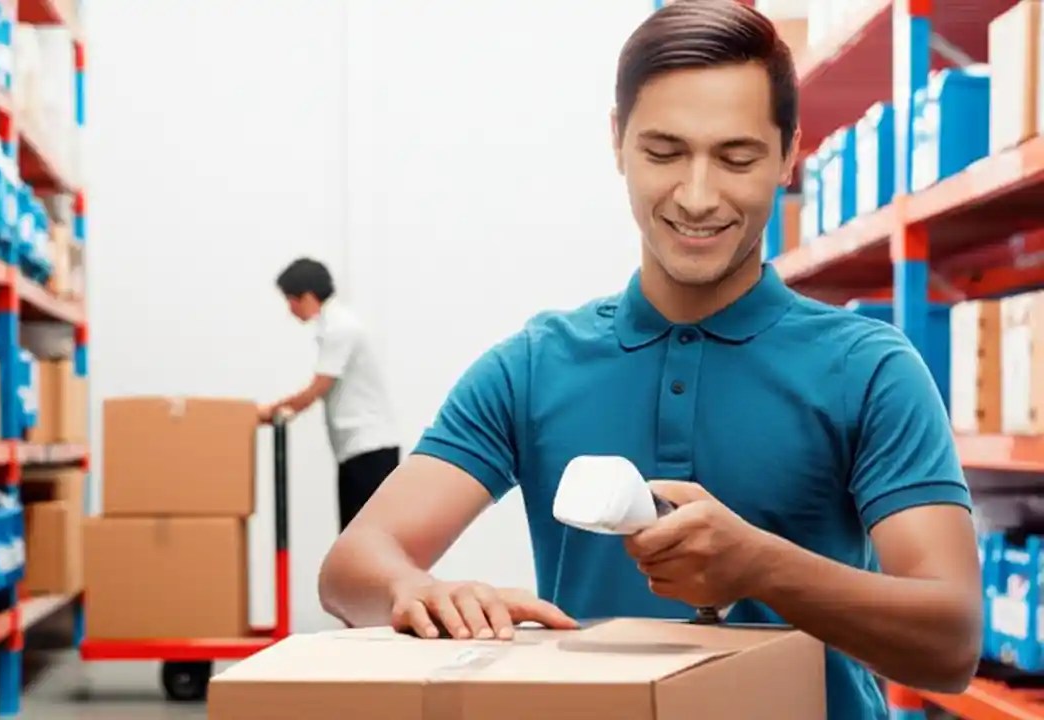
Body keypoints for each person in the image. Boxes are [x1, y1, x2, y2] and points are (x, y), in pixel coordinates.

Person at [316, 2, 981, 719]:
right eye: (664, 153)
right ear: (617, 141)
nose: (697, 197)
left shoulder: (869, 368)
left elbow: (950, 645)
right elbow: (352, 565)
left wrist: (761, 565)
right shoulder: (534, 366)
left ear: (790, 153)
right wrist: (409, 590)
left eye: (737, 157)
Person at [260, 257, 400, 531]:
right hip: (355, 449)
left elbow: (318, 388)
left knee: (365, 538)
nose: (290, 309)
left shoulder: (341, 328)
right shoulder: (332, 326)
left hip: (369, 448)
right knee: (353, 534)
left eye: (291, 300)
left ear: (308, 296)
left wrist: (266, 412)